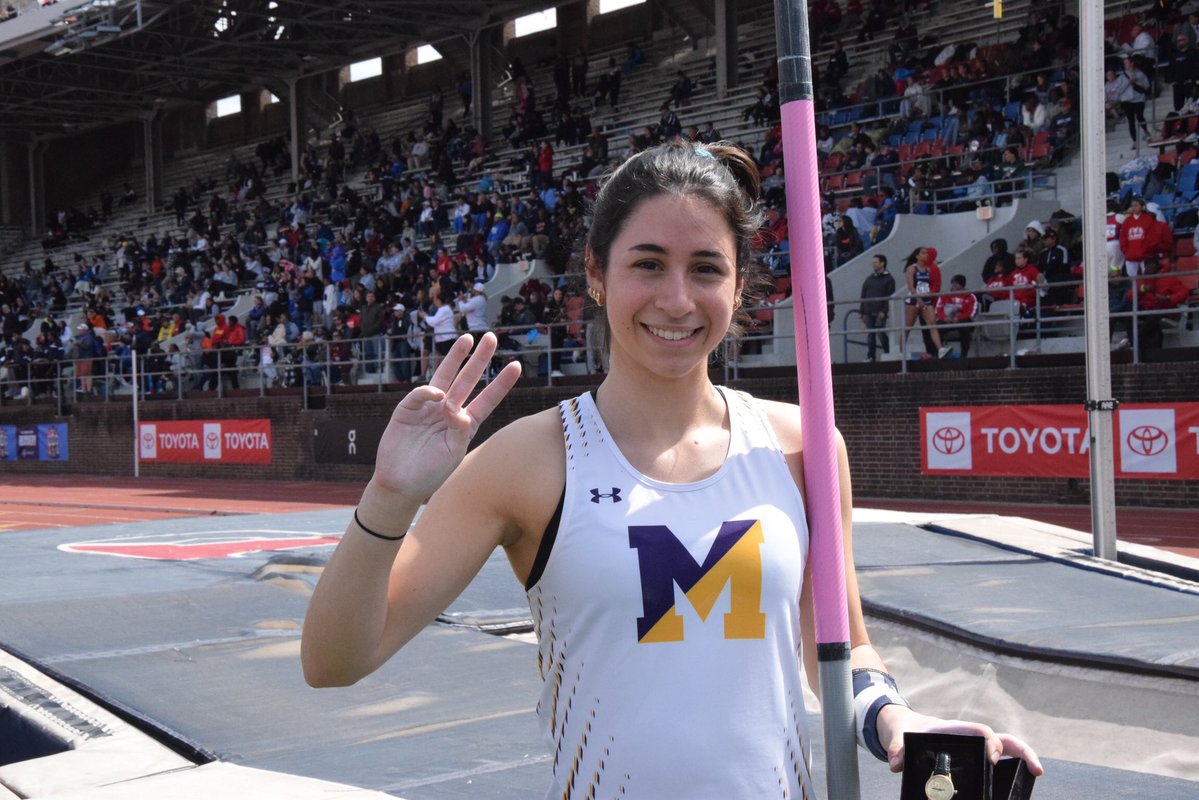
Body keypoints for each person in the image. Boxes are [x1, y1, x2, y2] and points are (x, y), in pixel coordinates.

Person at [301, 142, 1042, 797]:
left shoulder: (803, 445)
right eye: (647, 265)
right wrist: (390, 499)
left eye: (705, 269)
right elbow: (334, 661)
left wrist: (894, 719)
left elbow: (841, 651)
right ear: (596, 274)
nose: (677, 300)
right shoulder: (527, 461)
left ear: (739, 286)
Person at [903, 246, 947, 357]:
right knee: (908, 326)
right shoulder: (911, 269)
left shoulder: (929, 269)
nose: (926, 255)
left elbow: (932, 285)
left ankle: (940, 349)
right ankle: (900, 351)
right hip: (914, 299)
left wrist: (928, 297)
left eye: (927, 253)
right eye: (923, 253)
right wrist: (918, 298)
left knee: (932, 324)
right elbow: (911, 286)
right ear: (917, 256)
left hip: (926, 299)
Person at [860, 254, 896, 361]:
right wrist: (861, 312)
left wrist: (884, 311)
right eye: (873, 262)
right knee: (871, 335)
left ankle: (888, 353)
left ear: (882, 263)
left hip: (880, 312)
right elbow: (863, 295)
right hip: (868, 311)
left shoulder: (889, 279)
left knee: (881, 333)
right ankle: (871, 356)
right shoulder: (869, 279)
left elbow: (890, 296)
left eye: (876, 262)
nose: (874, 264)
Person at [934, 274, 980, 358]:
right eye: (952, 283)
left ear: (962, 284)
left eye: (956, 283)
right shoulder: (945, 295)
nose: (953, 285)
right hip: (948, 320)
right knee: (935, 328)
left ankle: (964, 355)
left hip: (963, 320)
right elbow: (938, 309)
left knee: (965, 326)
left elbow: (972, 312)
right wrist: (944, 317)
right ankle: (939, 352)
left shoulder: (970, 296)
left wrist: (959, 318)